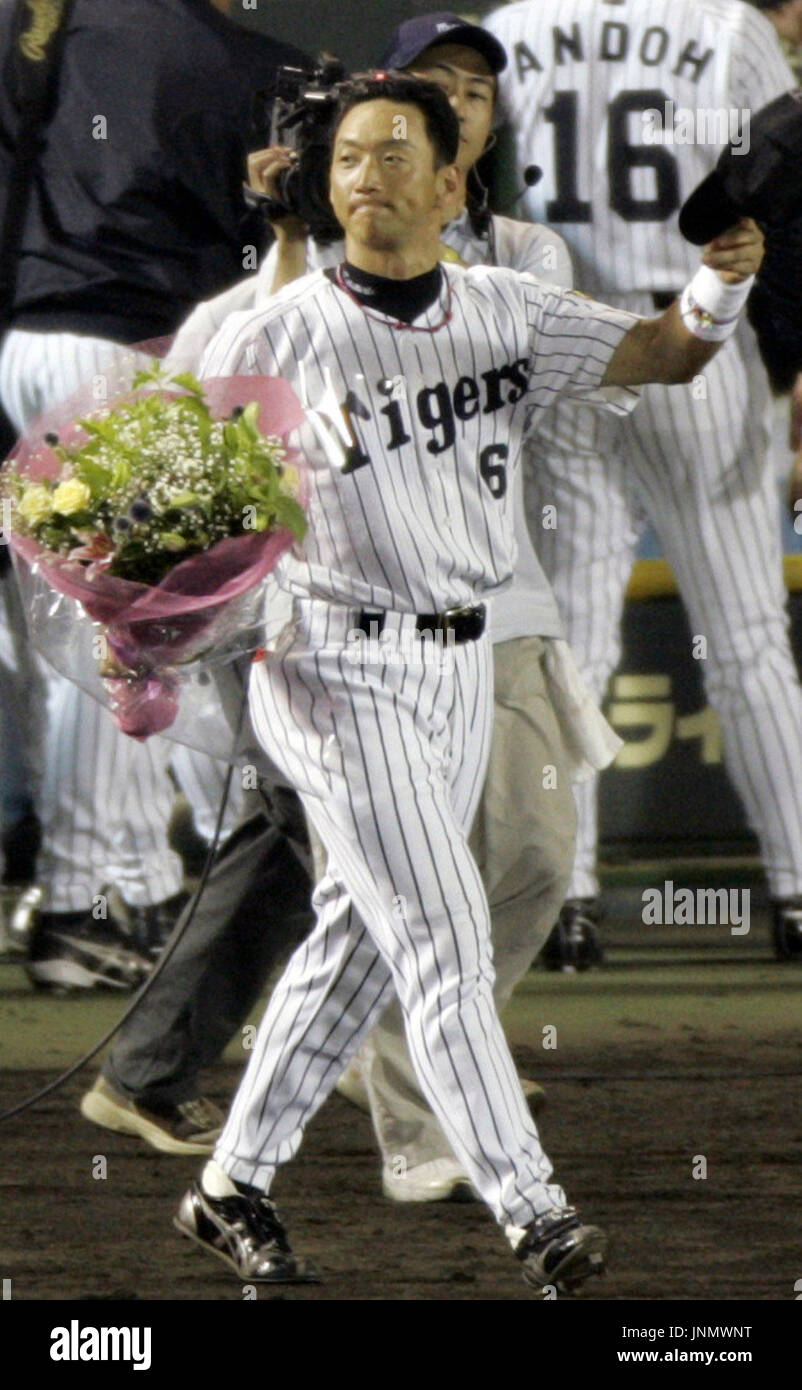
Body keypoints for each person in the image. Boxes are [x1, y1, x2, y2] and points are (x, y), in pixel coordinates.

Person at [167, 73, 763, 1293]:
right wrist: (152, 618)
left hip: (458, 661)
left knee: (358, 944)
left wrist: (721, 282)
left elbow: (659, 354)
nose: (364, 174)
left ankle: (230, 1184)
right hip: (331, 661)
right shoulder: (271, 330)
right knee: (439, 935)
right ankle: (534, 1211)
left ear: (452, 183)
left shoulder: (506, 306)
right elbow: (180, 509)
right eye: (344, 156)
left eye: (395, 152)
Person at [79, 12, 614, 1196]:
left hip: (489, 614)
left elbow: (477, 326)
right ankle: (470, 1155)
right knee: (400, 906)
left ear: (461, 153)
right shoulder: (268, 302)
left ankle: (226, 1162)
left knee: (497, 865)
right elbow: (194, 437)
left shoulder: (519, 264)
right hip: (325, 642)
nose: (450, 104)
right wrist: (287, 231)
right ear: (329, 156)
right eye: (363, 134)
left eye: (468, 94)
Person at [484, 0, 802, 965]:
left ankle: (564, 906)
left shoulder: (512, 28)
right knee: (746, 636)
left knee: (574, 640)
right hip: (695, 326)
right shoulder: (725, 25)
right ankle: (795, 892)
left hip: (566, 343)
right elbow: (787, 172)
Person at [0, 0, 310, 986]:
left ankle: (113, 876)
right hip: (124, 352)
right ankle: (86, 898)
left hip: (28, 344)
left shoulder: (63, 22)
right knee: (129, 633)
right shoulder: (254, 66)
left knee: (61, 634)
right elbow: (261, 255)